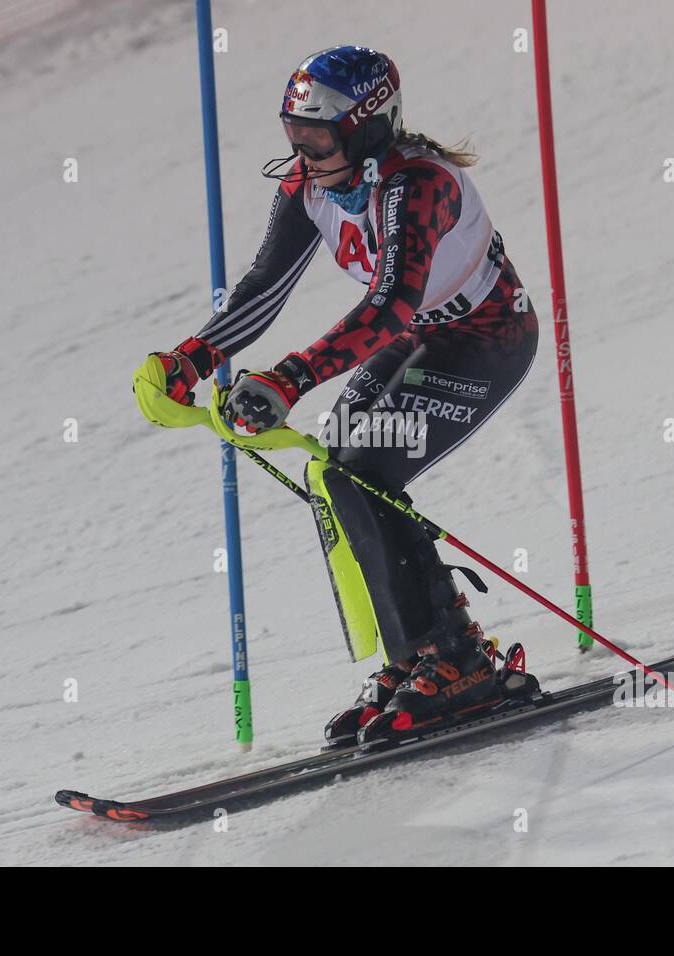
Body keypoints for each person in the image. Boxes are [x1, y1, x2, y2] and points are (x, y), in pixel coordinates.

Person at [139, 45, 538, 745]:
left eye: (317, 138)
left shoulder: (418, 186)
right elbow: (264, 288)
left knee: (368, 470)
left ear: (367, 126)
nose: (303, 152)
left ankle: (460, 661)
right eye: (294, 136)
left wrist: (289, 379)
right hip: (422, 337)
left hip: (487, 340)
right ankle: (415, 657)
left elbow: (389, 305)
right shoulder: (310, 188)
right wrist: (190, 359)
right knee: (334, 472)